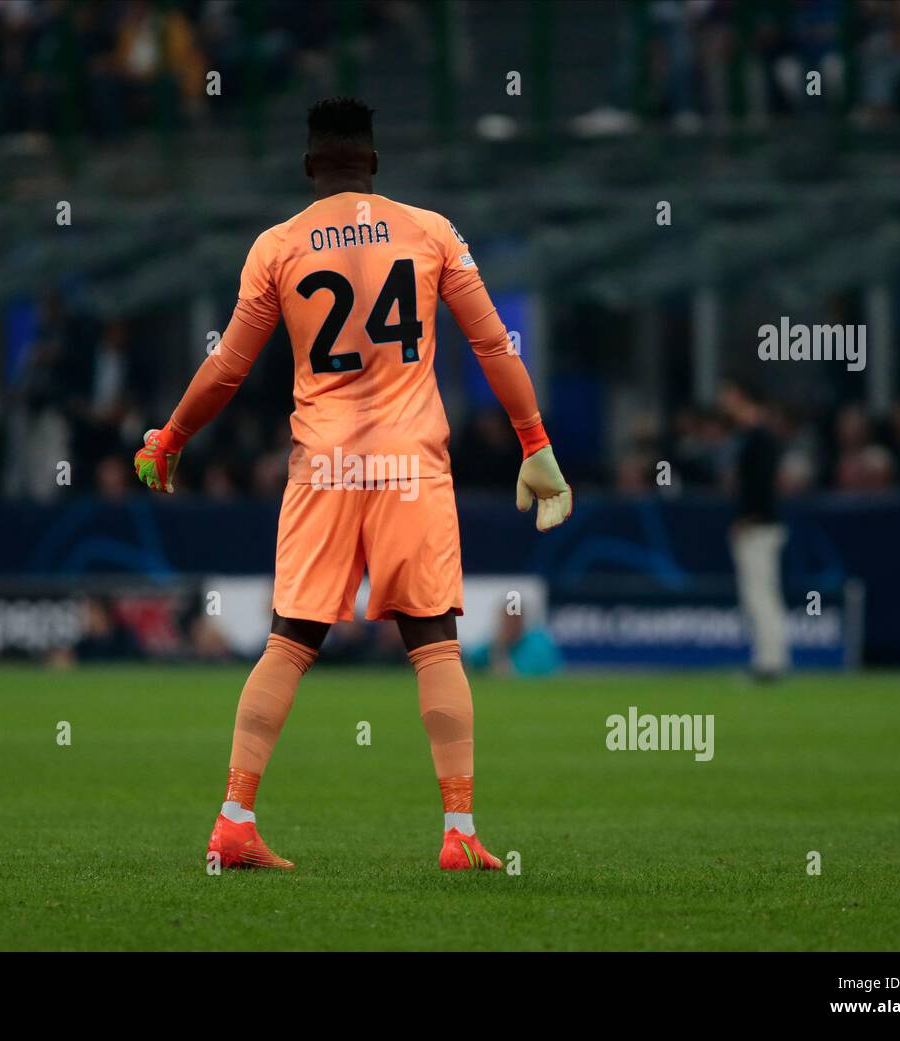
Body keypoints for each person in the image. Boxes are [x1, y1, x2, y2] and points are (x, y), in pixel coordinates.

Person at [134, 97, 572, 871]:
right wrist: (534, 442)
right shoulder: (431, 230)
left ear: (310, 169)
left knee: (290, 638)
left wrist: (169, 438)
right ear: (374, 163)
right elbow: (492, 343)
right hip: (410, 464)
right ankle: (459, 831)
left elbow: (229, 367)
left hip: (324, 464)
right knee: (434, 641)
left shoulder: (276, 245)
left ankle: (234, 820)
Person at [719, 377, 789, 681]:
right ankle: (768, 658)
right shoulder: (751, 436)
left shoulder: (760, 438)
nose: (725, 403)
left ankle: (771, 662)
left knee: (761, 594)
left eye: (729, 396)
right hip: (757, 525)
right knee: (758, 595)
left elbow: (761, 486)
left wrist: (747, 519)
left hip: (759, 527)